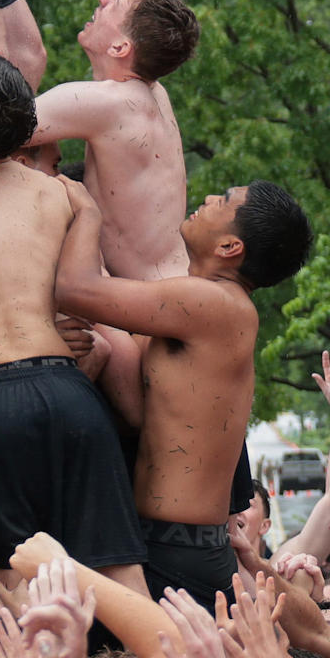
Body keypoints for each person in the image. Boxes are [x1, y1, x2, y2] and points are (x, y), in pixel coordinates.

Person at [0, 56, 142, 587]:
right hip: (69, 394)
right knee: (122, 575)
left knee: (10, 583)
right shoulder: (59, 193)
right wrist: (89, 213)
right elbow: (77, 294)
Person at [43, 178, 310, 605]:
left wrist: (87, 211)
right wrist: (97, 342)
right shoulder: (204, 306)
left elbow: (75, 290)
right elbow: (138, 412)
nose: (207, 199)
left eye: (223, 200)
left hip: (180, 552)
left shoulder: (214, 303)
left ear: (229, 247)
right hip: (165, 543)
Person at [32, 0, 201, 286]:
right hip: (171, 288)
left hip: (153, 311)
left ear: (120, 47)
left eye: (117, 2)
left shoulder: (112, 103)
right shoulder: (153, 92)